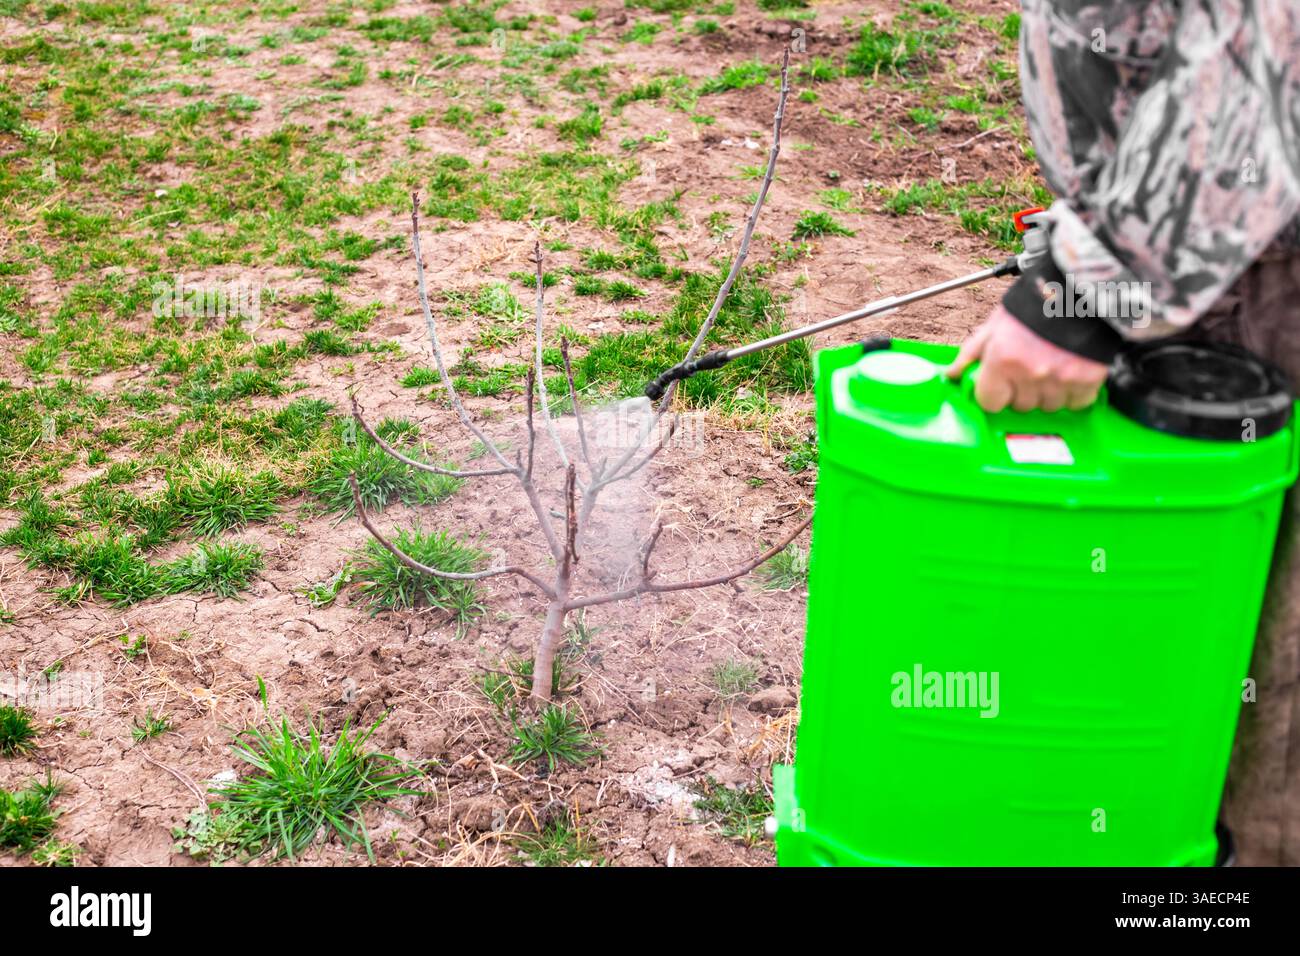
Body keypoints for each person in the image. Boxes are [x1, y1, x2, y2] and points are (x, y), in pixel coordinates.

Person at [946, 1, 1300, 864]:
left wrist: (1094, 284)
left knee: (1264, 723)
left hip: (1263, 287)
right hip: (1203, 265)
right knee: (1161, 664)